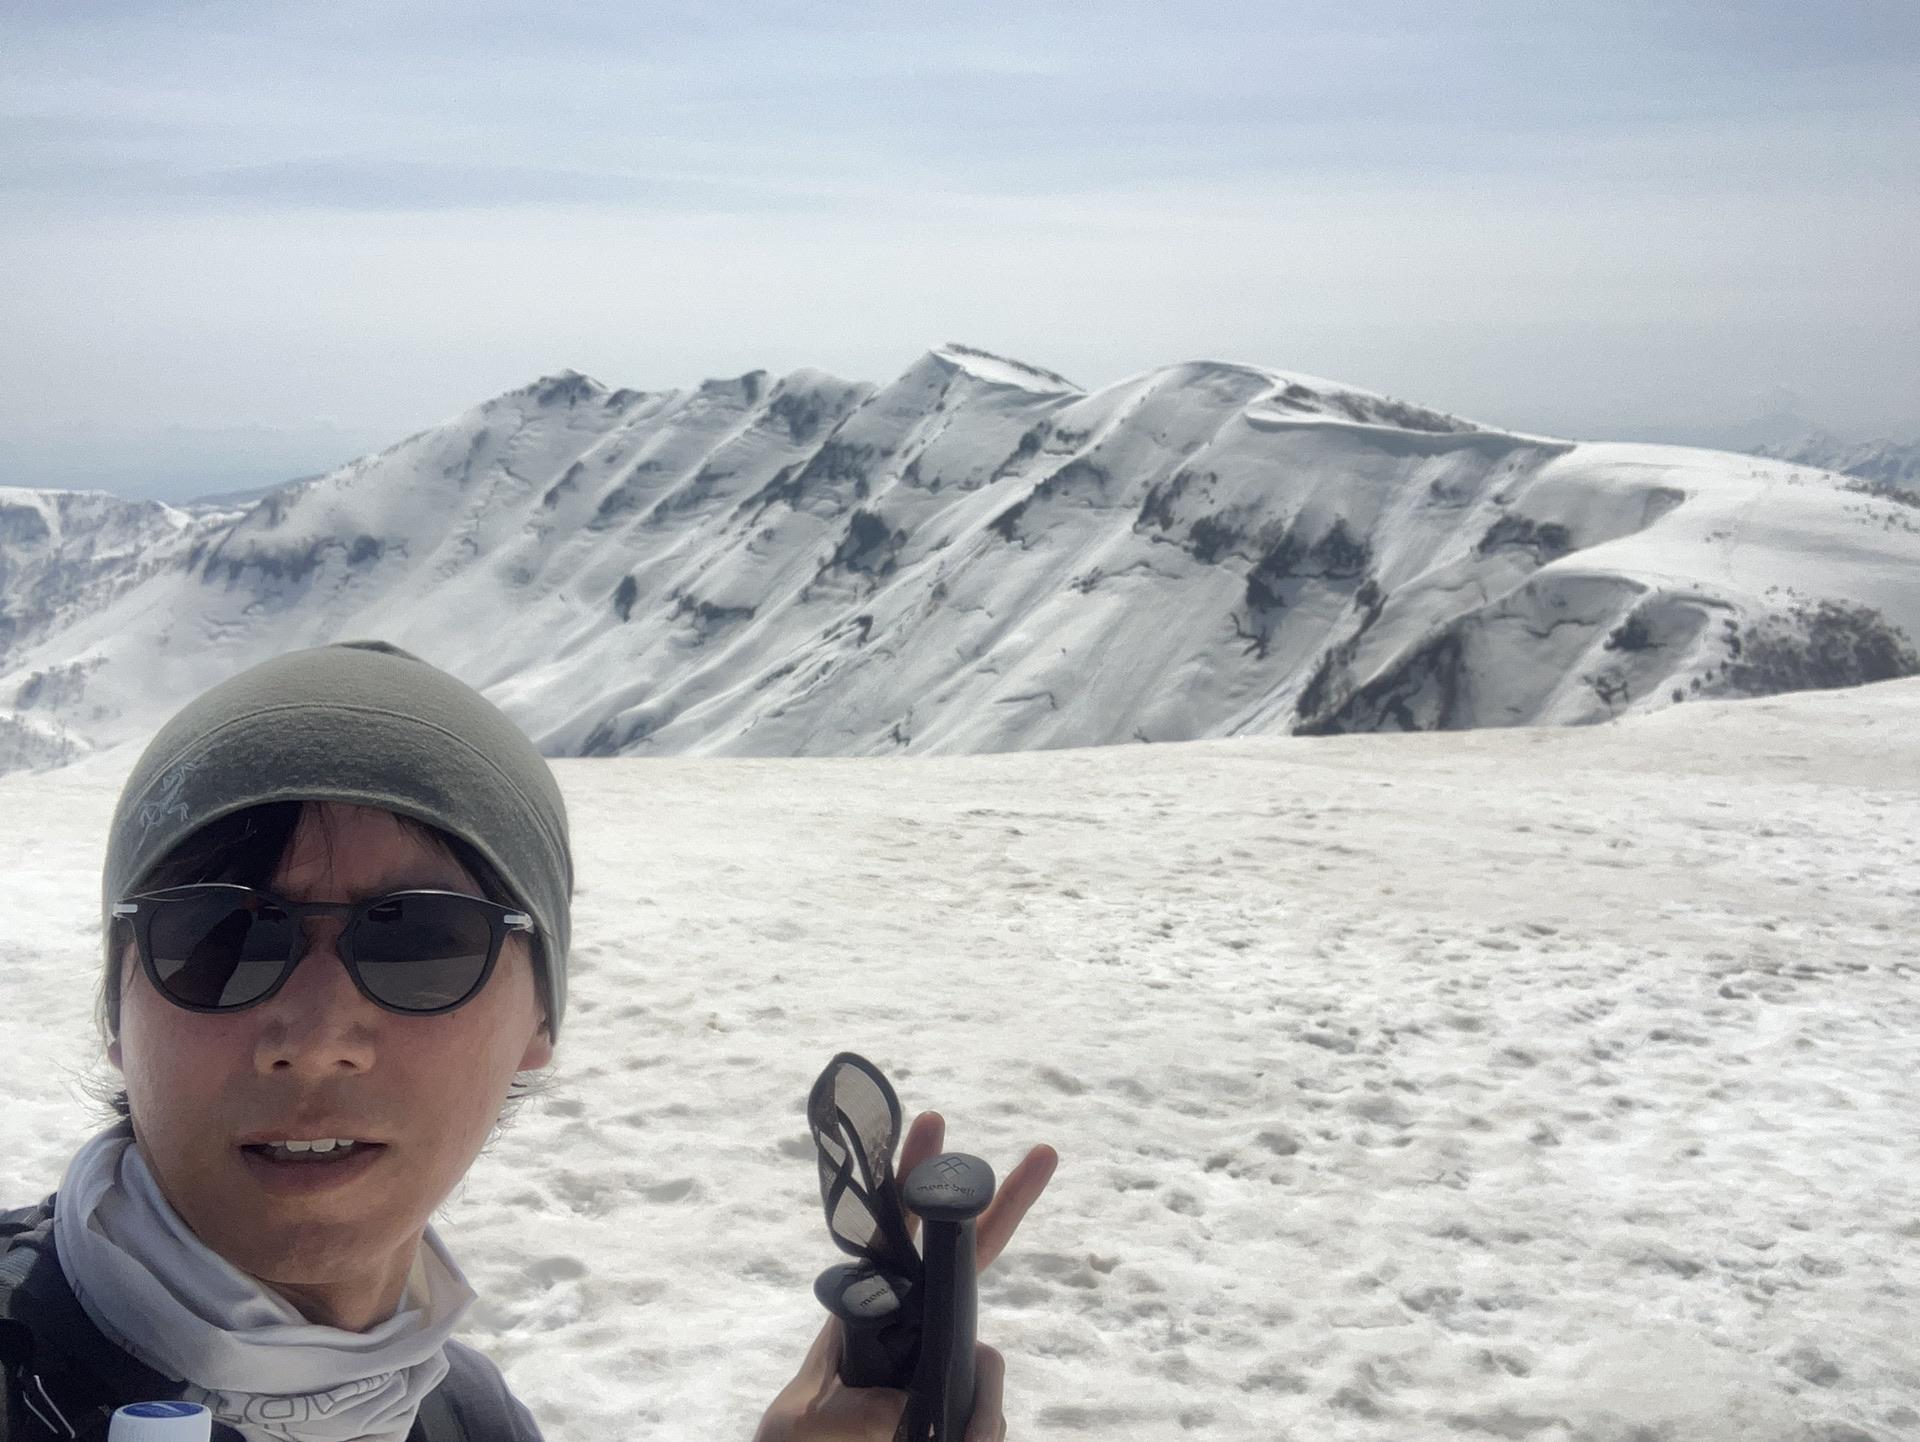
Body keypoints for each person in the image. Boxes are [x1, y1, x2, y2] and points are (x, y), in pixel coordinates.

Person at [0, 641, 1057, 1442]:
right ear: (115, 1007)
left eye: (421, 943)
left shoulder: (465, 1417)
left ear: (541, 1018)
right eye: (220, 940)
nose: (317, 1039)